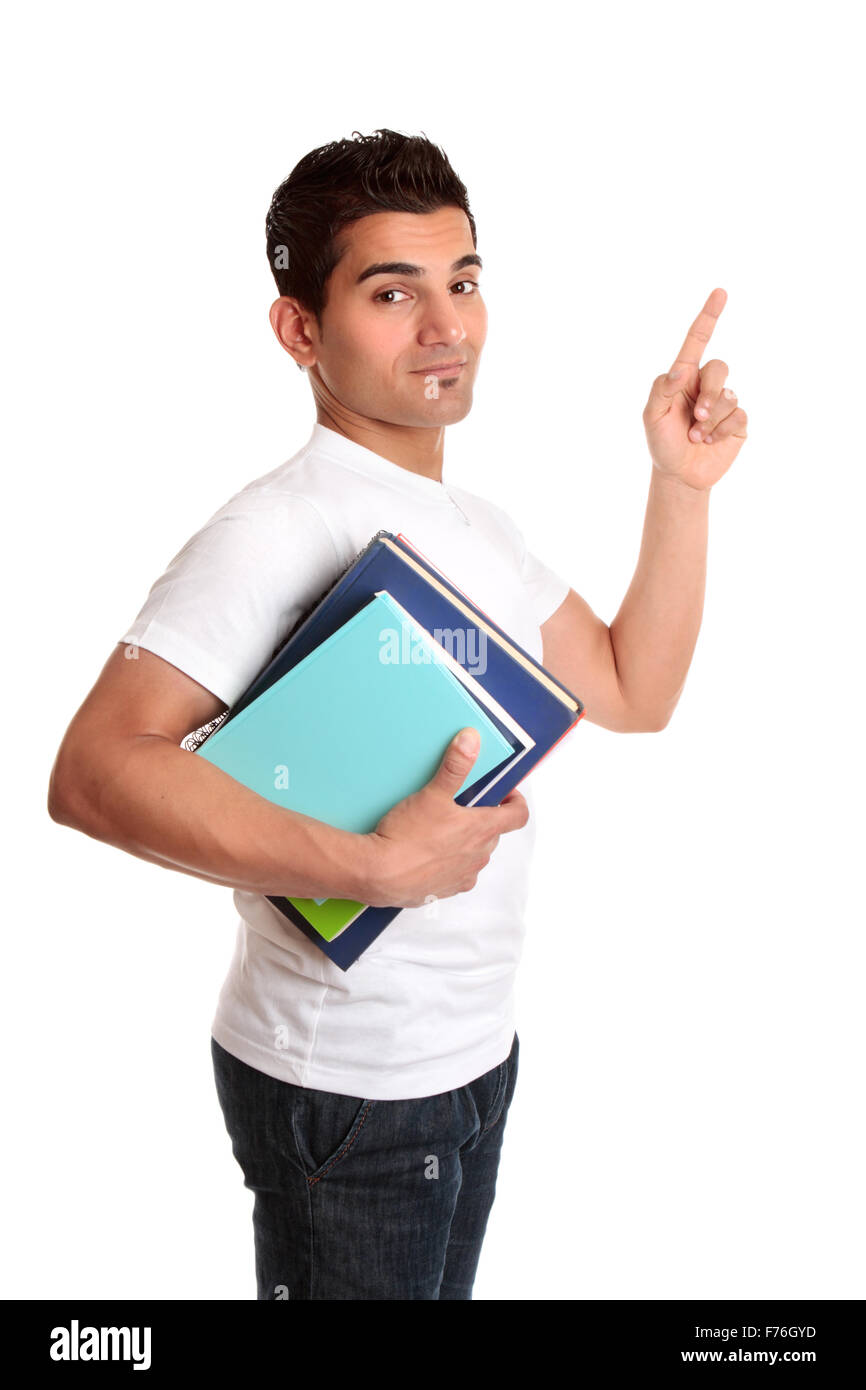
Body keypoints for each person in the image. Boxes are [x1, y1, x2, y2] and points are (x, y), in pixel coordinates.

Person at [48, 128, 737, 1299]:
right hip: (347, 1090)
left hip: (469, 1058)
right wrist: (367, 865)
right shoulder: (272, 529)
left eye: (462, 281)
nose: (445, 326)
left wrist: (677, 485)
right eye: (391, 291)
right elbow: (93, 772)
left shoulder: (477, 527)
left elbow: (631, 690)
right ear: (299, 331)